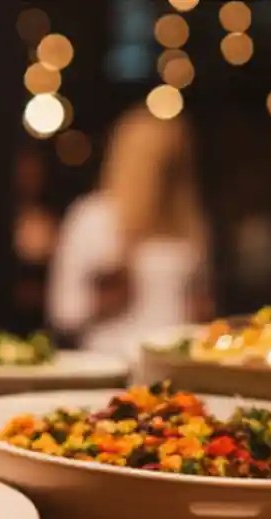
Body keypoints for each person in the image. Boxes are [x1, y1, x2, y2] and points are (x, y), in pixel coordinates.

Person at [48, 107, 209, 360]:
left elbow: (199, 308)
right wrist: (107, 299)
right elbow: (63, 313)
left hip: (176, 366)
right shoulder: (94, 217)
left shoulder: (189, 225)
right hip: (111, 362)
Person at [12, 145, 59, 333]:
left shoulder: (51, 218)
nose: (28, 180)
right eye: (23, 174)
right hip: (6, 314)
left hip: (43, 319)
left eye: (34, 174)